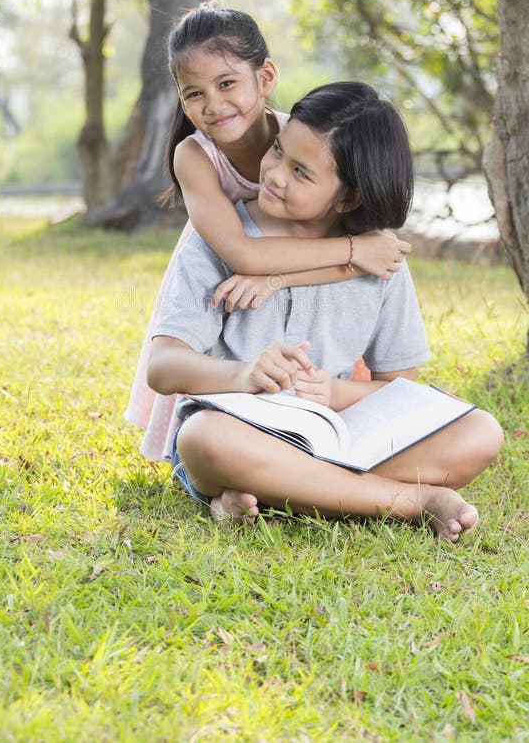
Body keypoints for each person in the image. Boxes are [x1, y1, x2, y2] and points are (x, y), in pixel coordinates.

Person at [147, 82, 504, 542]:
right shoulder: (219, 236)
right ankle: (410, 501)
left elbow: (400, 388)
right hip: (238, 425)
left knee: (479, 431)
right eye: (278, 150)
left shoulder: (378, 258)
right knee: (202, 440)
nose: (274, 174)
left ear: (348, 198)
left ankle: (274, 489)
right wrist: (243, 375)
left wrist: (333, 393)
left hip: (331, 431)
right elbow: (162, 367)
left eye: (301, 172)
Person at [125, 4, 410, 461]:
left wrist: (277, 281)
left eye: (226, 83)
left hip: (300, 260)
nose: (214, 105)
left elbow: (345, 259)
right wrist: (356, 250)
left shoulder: (300, 133)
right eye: (193, 93)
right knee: (199, 364)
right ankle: (206, 456)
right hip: (225, 247)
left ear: (265, 77)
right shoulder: (194, 156)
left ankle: (274, 456)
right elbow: (242, 256)